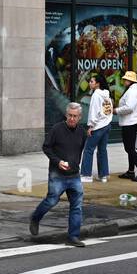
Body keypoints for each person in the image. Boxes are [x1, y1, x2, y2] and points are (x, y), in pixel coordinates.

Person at [30, 102, 88, 246]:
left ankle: (73, 236)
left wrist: (75, 165)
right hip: (57, 174)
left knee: (77, 206)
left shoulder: (82, 132)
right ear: (66, 115)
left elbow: (80, 149)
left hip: (74, 174)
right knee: (51, 201)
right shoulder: (57, 129)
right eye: (70, 115)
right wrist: (58, 162)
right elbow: (46, 147)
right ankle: (35, 218)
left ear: (80, 117)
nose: (72, 119)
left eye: (75, 116)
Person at [114, 71, 137, 181]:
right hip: (132, 121)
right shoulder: (133, 90)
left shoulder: (132, 92)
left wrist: (116, 111)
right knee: (131, 148)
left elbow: (129, 107)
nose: (124, 81)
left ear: (131, 81)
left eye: (126, 79)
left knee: (129, 148)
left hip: (130, 122)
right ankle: (131, 171)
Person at [80, 73, 113, 183]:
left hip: (98, 126)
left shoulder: (96, 95)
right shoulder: (106, 94)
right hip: (106, 124)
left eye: (92, 81)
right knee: (102, 150)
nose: (89, 83)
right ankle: (103, 175)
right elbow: (108, 110)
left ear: (97, 84)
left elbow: (93, 112)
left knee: (88, 150)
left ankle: (86, 175)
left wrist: (90, 126)